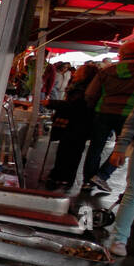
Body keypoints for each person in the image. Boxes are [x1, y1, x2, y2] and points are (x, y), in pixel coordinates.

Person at [82, 43, 134, 193]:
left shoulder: (107, 71)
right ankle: (102, 175)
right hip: (129, 116)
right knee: (125, 147)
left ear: (122, 54)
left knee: (95, 148)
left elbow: (90, 94)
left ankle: (87, 181)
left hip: (103, 112)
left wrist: (95, 107)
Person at [45, 62, 100, 190]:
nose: (76, 73)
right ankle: (61, 176)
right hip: (77, 125)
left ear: (86, 75)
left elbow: (74, 107)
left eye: (80, 71)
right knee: (67, 151)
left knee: (69, 152)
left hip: (78, 125)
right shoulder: (80, 87)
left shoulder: (83, 89)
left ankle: (62, 178)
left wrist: (52, 103)